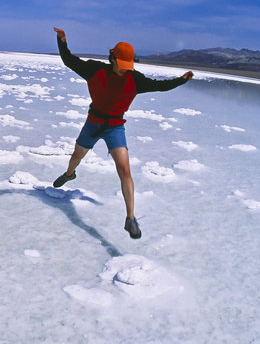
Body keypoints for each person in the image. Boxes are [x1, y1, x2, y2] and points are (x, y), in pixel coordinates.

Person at [52, 27, 194, 239]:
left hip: (115, 127)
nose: (125, 69)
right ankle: (69, 174)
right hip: (93, 123)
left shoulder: (135, 79)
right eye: (122, 65)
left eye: (129, 66)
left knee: (125, 170)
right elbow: (69, 61)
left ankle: (130, 218)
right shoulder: (94, 70)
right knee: (76, 157)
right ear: (112, 59)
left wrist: (182, 80)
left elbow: (161, 86)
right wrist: (62, 41)